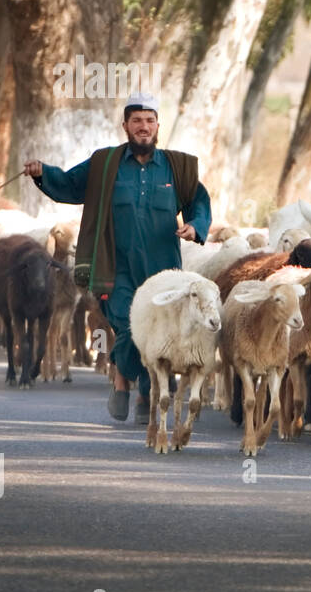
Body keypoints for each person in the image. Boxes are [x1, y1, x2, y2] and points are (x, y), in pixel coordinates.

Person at [24, 93, 211, 421]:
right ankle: (133, 382)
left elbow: (199, 202)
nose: (144, 127)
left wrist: (196, 225)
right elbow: (68, 184)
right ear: (125, 125)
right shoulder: (104, 164)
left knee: (157, 330)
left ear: (157, 126)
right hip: (115, 266)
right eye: (136, 121)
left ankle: (134, 387)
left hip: (163, 270)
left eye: (150, 121)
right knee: (128, 325)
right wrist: (43, 173)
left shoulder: (176, 167)